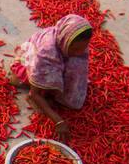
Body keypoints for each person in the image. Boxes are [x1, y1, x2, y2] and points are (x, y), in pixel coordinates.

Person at [7, 14, 93, 142]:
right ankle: (23, 79)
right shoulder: (47, 53)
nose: (79, 52)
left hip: (53, 60)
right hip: (32, 63)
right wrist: (58, 121)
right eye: (75, 49)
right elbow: (36, 94)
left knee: (76, 63)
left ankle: (49, 85)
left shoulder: (71, 42)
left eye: (82, 48)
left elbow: (78, 61)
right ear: (65, 40)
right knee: (39, 89)